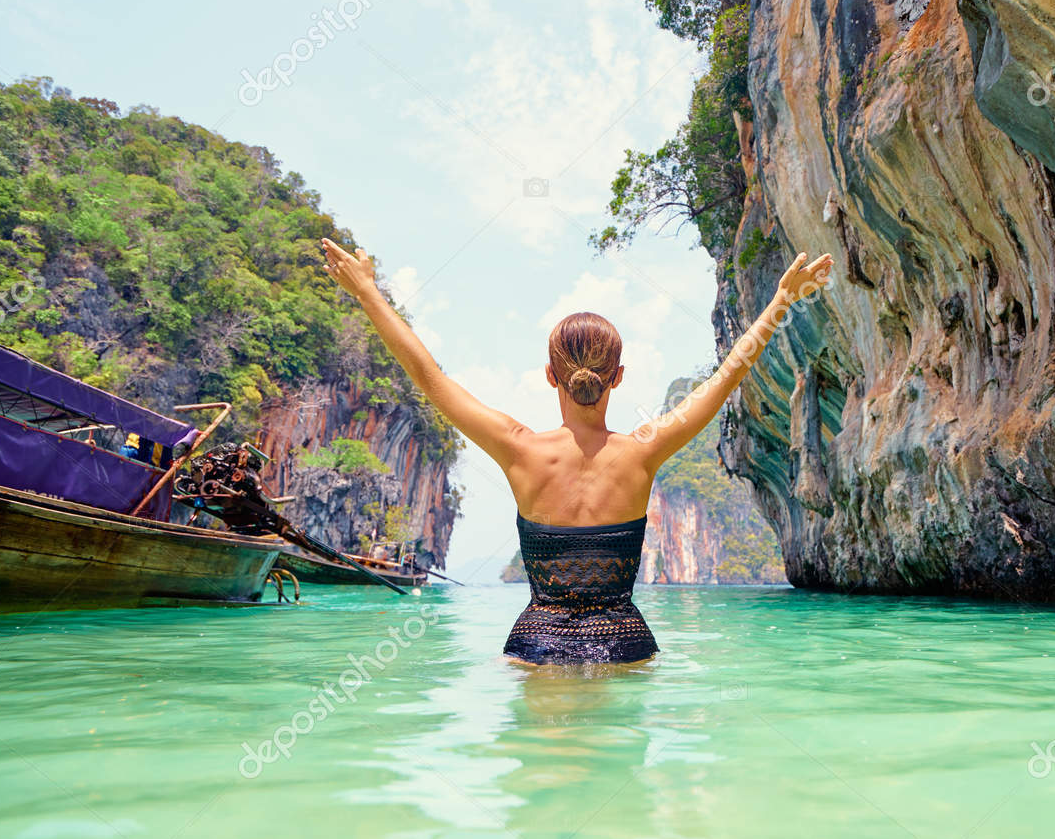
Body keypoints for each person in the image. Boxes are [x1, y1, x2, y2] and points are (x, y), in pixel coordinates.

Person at [321, 237, 833, 665]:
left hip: (538, 647)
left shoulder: (518, 450)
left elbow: (429, 377)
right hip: (624, 646)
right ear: (619, 377)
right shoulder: (642, 452)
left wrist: (367, 290)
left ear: (550, 377)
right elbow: (725, 378)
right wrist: (782, 300)